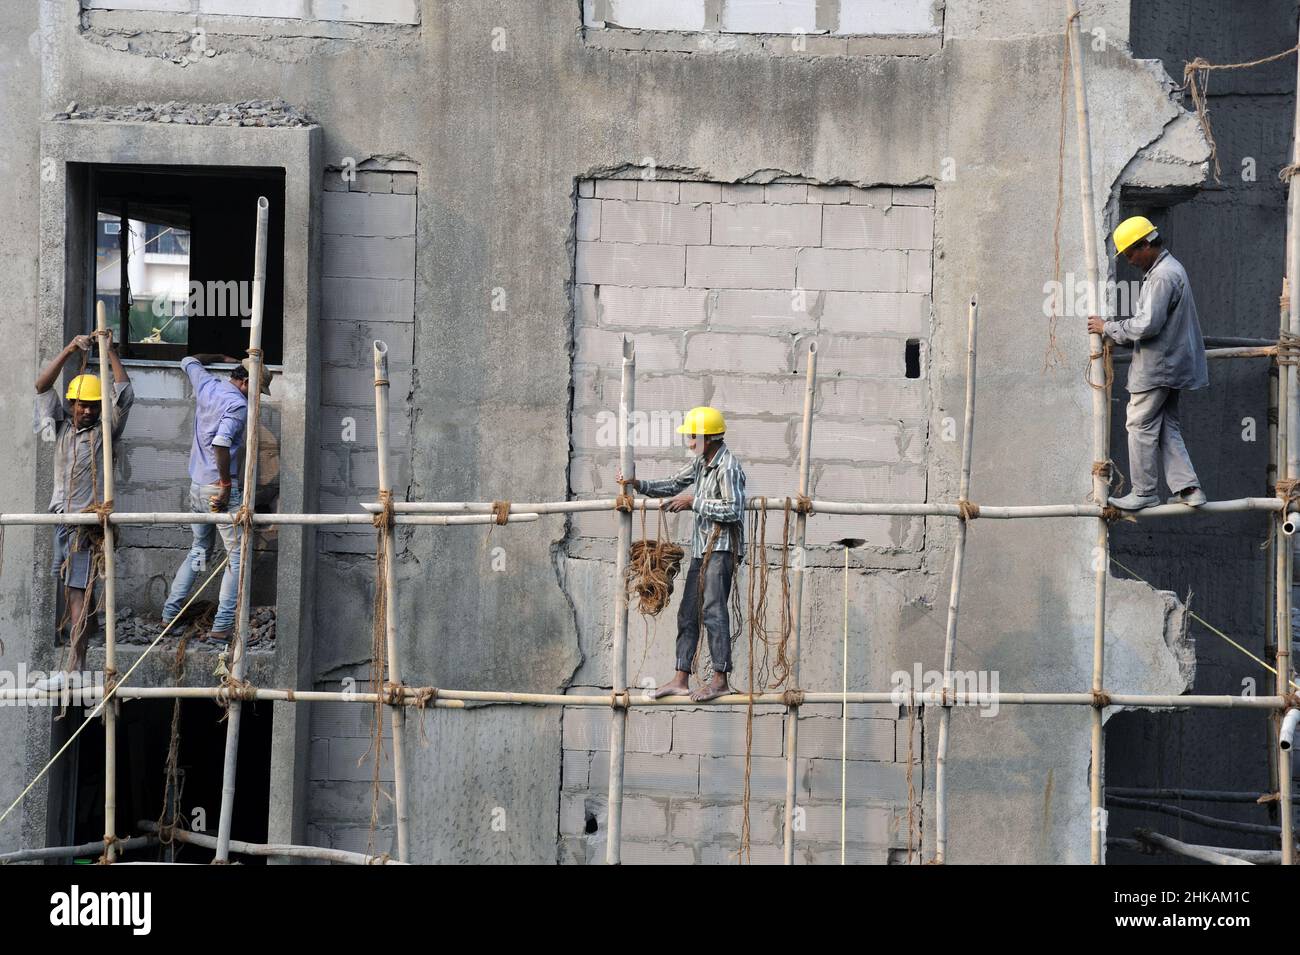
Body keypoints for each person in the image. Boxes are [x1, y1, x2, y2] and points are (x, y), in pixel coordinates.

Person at [617, 406, 747, 702]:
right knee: (688, 612)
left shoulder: (728, 467)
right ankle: (680, 678)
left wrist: (693, 502)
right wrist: (638, 485)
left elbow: (733, 509)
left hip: (722, 549)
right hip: (703, 549)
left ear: (709, 438)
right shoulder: (702, 462)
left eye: (693, 437)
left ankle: (720, 679)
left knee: (713, 611)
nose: (689, 442)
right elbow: (674, 483)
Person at [32, 331, 133, 690]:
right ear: (71, 404)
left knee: (78, 595)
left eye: (94, 405)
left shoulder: (105, 431)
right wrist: (70, 349)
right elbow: (42, 386)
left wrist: (110, 352)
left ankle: (74, 669)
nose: (88, 411)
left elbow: (124, 393)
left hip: (85, 527)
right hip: (63, 524)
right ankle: (80, 663)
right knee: (76, 594)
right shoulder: (60, 428)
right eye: (82, 405)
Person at [1088, 216, 1208, 510]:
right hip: (1172, 366)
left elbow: (1146, 325)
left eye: (1130, 253)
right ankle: (1189, 488)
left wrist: (1108, 328)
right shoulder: (1170, 269)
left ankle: (1144, 492)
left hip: (1158, 368)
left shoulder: (1162, 276)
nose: (1129, 261)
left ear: (1145, 244)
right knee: (1166, 425)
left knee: (1139, 425)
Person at [162, 353, 269, 640]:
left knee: (199, 549)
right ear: (245, 382)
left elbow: (188, 360)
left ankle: (170, 614)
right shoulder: (238, 405)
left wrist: (219, 356)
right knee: (238, 557)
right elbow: (221, 443)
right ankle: (222, 626)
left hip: (197, 486)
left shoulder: (208, 385)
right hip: (218, 491)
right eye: (257, 389)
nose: (257, 397)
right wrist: (225, 484)